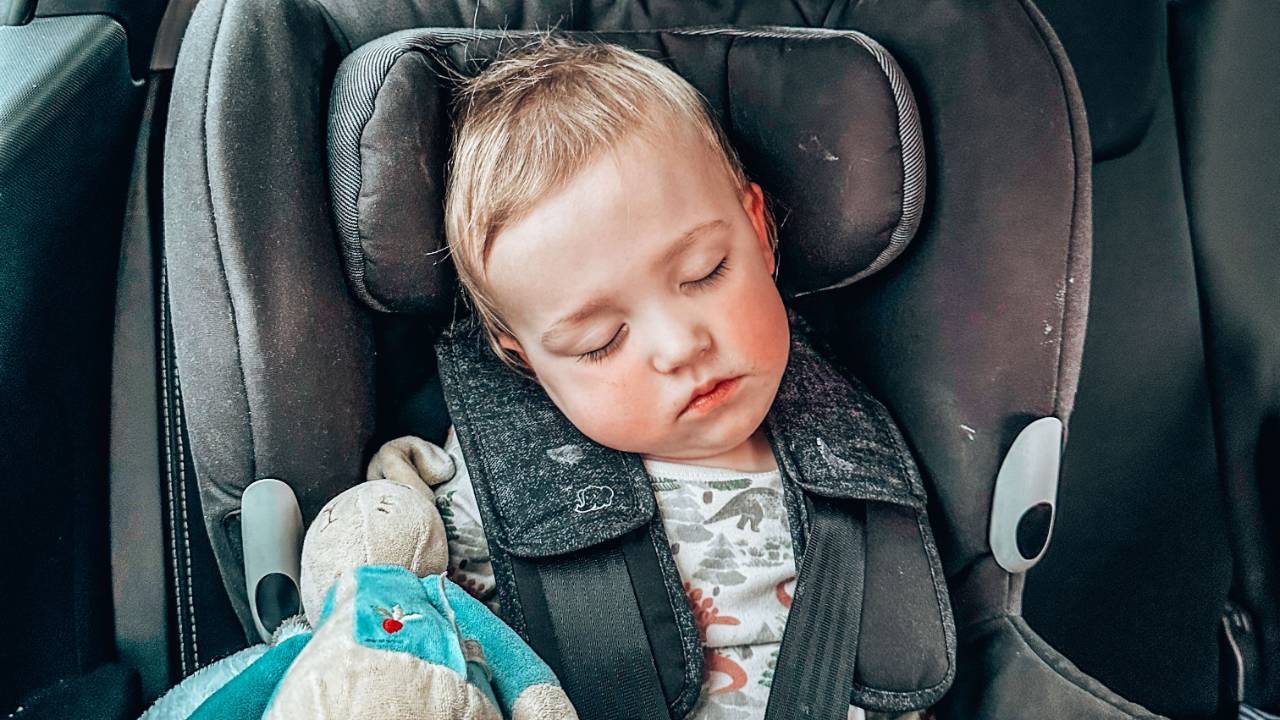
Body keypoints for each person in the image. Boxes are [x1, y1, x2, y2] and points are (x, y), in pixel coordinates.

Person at [415, 36, 923, 720]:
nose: (681, 347)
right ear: (527, 360)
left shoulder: (862, 444)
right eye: (599, 341)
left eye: (705, 273)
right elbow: (402, 628)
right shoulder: (496, 486)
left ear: (760, 231)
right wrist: (396, 502)